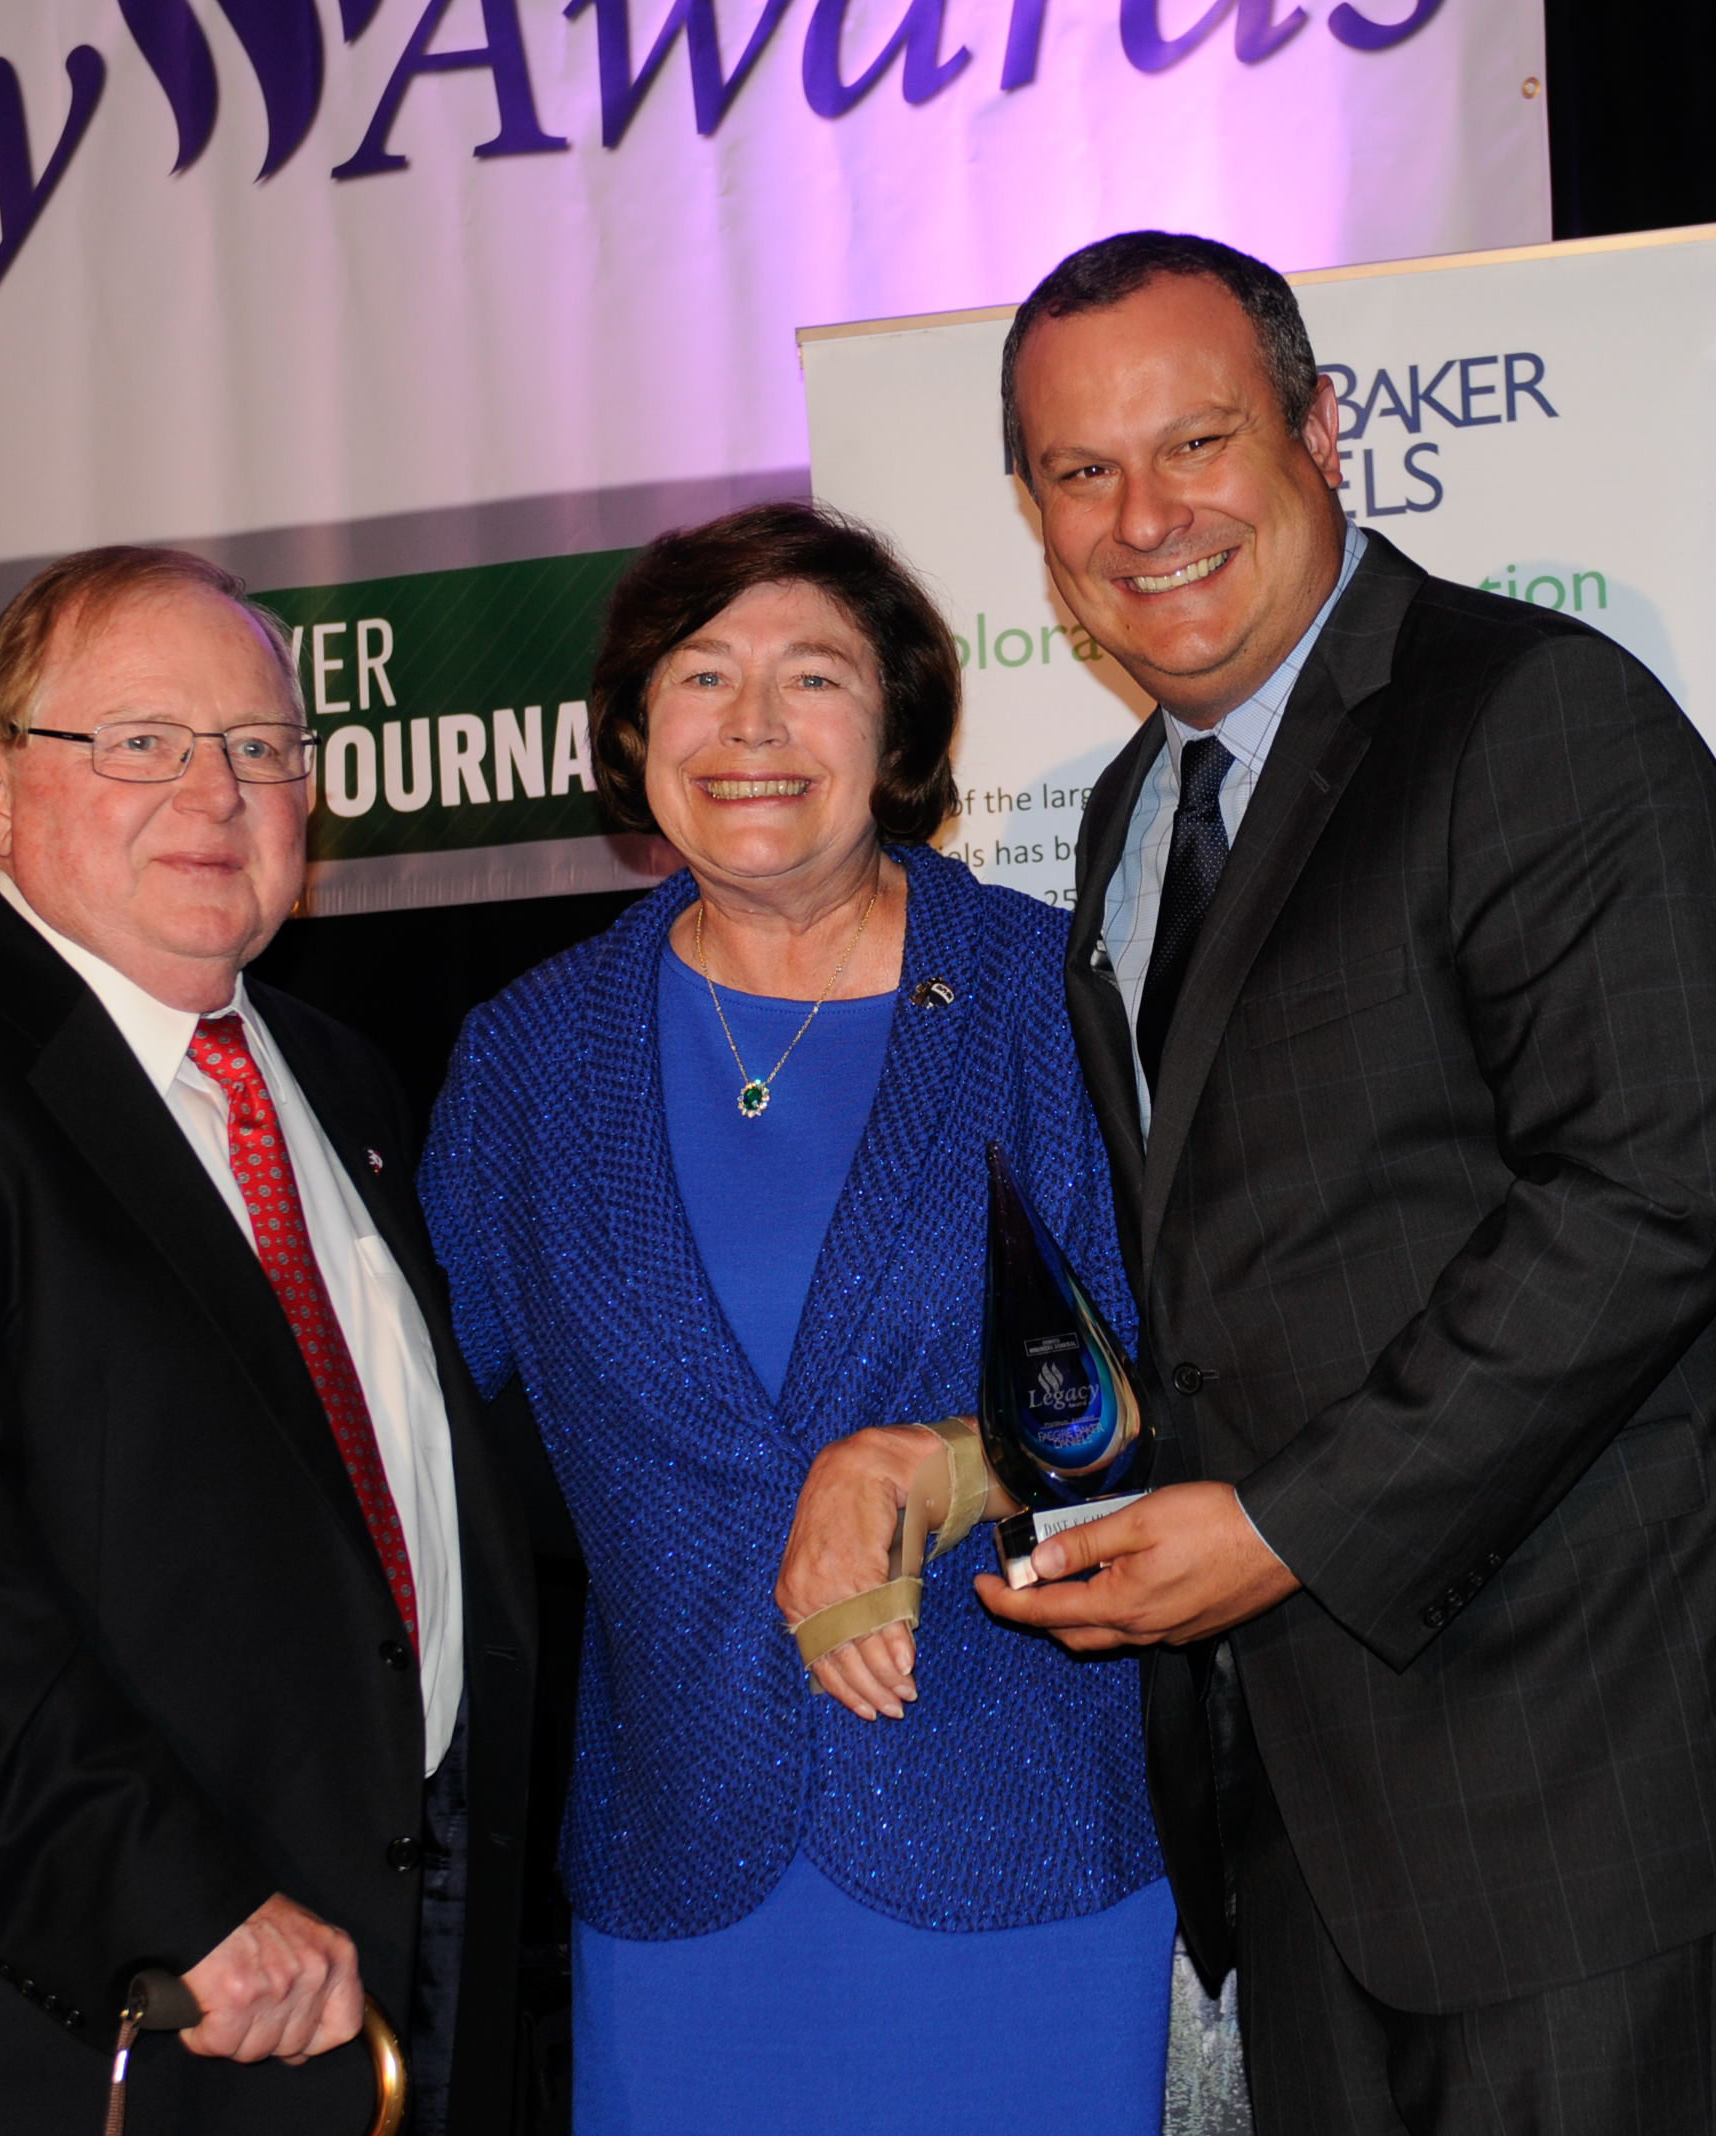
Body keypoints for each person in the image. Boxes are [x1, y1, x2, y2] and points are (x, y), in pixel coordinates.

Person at [964, 232, 1716, 2133]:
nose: (1143, 517)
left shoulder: (1543, 717)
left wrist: (1287, 1526)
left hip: (1605, 1771)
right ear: (1031, 510)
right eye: (1082, 472)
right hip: (1319, 1804)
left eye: (1198, 443)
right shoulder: (1126, 813)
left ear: (1325, 434)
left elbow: (1637, 1205)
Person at [0, 547, 537, 2134]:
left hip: (378, 2013)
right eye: (142, 742)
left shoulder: (345, 1084)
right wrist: (176, 1900)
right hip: (58, 2029)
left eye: (259, 750)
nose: (214, 795)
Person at [419, 501, 1173, 2135]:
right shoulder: (526, 1062)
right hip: (679, 1871)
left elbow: (1171, 1383)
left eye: (813, 677)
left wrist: (934, 1469)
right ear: (634, 732)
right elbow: (437, 1450)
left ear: (896, 728)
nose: (751, 727)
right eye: (701, 677)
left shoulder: (1053, 1002)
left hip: (1020, 1848)